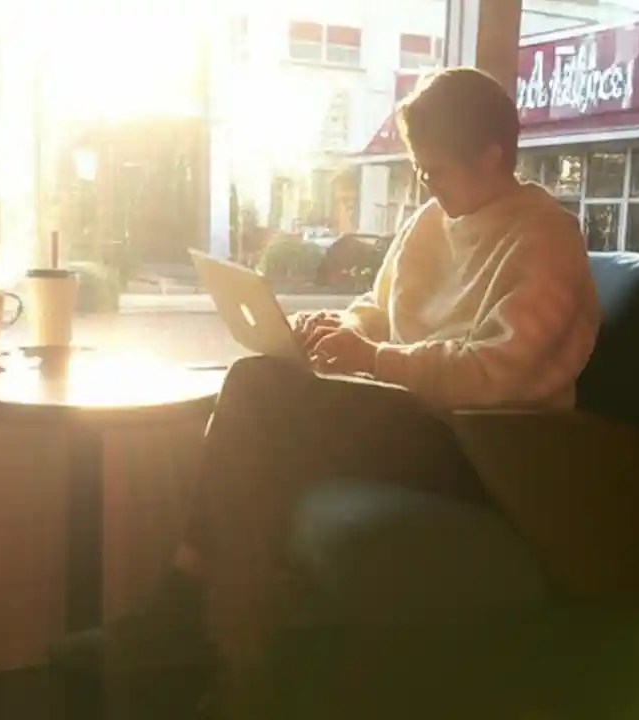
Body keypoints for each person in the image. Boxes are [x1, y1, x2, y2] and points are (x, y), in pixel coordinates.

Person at [84, 67, 602, 716]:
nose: (425, 184)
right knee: (266, 394)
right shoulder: (428, 223)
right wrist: (338, 332)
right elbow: (376, 308)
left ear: (493, 156)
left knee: (259, 394)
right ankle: (226, 642)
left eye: (434, 169)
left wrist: (376, 359)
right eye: (419, 169)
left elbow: (500, 375)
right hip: (418, 415)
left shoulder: (544, 236)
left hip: (488, 449)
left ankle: (192, 608)